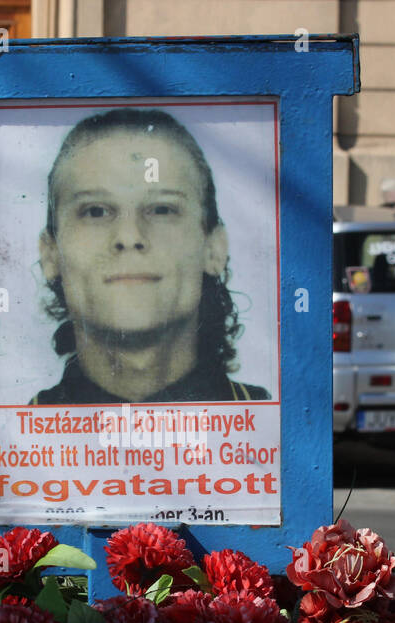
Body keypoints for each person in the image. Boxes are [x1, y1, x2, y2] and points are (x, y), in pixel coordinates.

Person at [28, 108, 270, 405]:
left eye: (162, 209)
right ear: (50, 254)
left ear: (214, 249)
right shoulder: (14, 435)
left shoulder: (267, 426)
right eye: (95, 211)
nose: (130, 237)